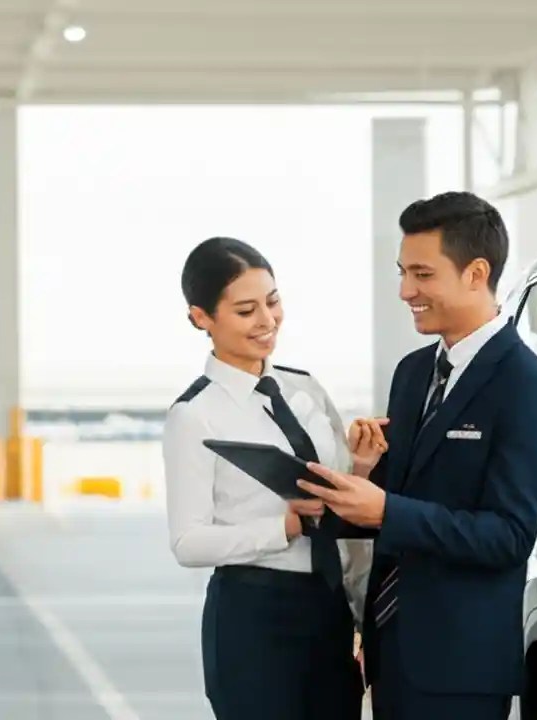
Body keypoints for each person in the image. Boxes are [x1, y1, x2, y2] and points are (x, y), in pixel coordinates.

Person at [297, 191, 537, 719]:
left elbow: (509, 536)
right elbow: (400, 500)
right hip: (390, 651)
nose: (405, 291)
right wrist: (362, 476)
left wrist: (385, 510)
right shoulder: (414, 372)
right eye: (402, 273)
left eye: (421, 274)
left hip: (460, 667)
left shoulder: (527, 387)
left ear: (475, 273)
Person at [161, 236, 376, 720]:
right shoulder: (195, 416)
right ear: (202, 318)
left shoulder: (305, 387)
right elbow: (187, 543)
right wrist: (285, 528)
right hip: (253, 618)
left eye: (273, 301)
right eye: (245, 311)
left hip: (330, 608)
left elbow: (344, 504)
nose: (267, 321)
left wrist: (360, 469)